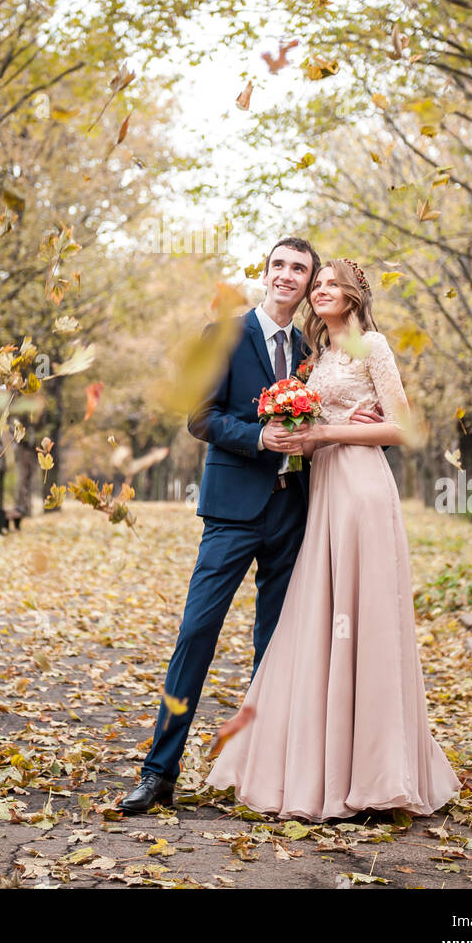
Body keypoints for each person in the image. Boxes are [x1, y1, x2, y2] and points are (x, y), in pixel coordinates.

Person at [118, 236, 381, 815]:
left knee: (279, 645)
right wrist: (258, 436)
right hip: (232, 512)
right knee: (196, 633)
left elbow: (347, 401)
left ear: (311, 283)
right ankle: (159, 771)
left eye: (301, 269)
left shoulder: (316, 350)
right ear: (266, 274)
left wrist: (369, 414)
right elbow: (200, 417)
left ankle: (269, 771)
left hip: (297, 511)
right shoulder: (226, 335)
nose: (288, 275)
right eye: (279, 266)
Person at [205, 257, 462, 821]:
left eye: (329, 284)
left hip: (363, 494)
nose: (319, 291)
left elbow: (403, 426)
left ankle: (376, 778)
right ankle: (324, 767)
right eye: (314, 285)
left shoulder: (373, 346)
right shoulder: (313, 359)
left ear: (352, 294)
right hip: (321, 497)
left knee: (364, 623)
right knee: (323, 622)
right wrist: (298, 434)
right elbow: (310, 432)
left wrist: (328, 431)